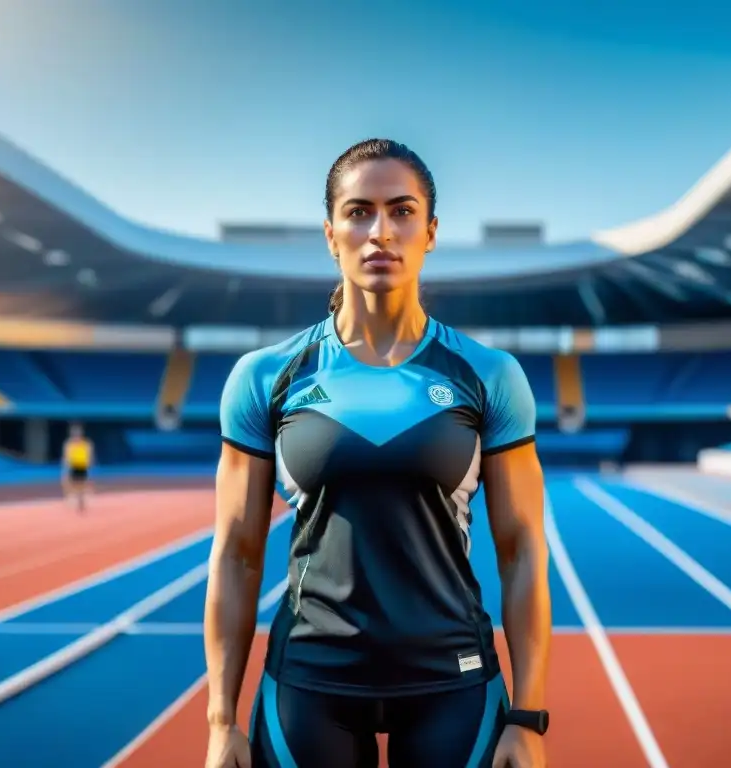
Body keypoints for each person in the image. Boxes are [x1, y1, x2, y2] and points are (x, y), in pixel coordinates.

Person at [205, 138, 552, 768]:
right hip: (310, 681)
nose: (380, 232)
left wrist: (527, 718)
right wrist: (221, 720)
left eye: (402, 211)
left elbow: (522, 549)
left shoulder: (489, 375)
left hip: (453, 680)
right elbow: (236, 553)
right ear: (331, 234)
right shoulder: (265, 377)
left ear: (431, 232)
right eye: (359, 212)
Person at [61, 423, 93, 512]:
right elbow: (66, 456)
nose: (76, 436)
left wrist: (89, 463)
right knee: (71, 483)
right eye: (75, 434)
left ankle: (80, 500)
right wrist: (65, 467)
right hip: (73, 466)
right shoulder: (69, 444)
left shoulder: (85, 444)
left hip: (82, 466)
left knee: (82, 484)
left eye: (78, 434)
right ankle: (74, 497)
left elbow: (89, 454)